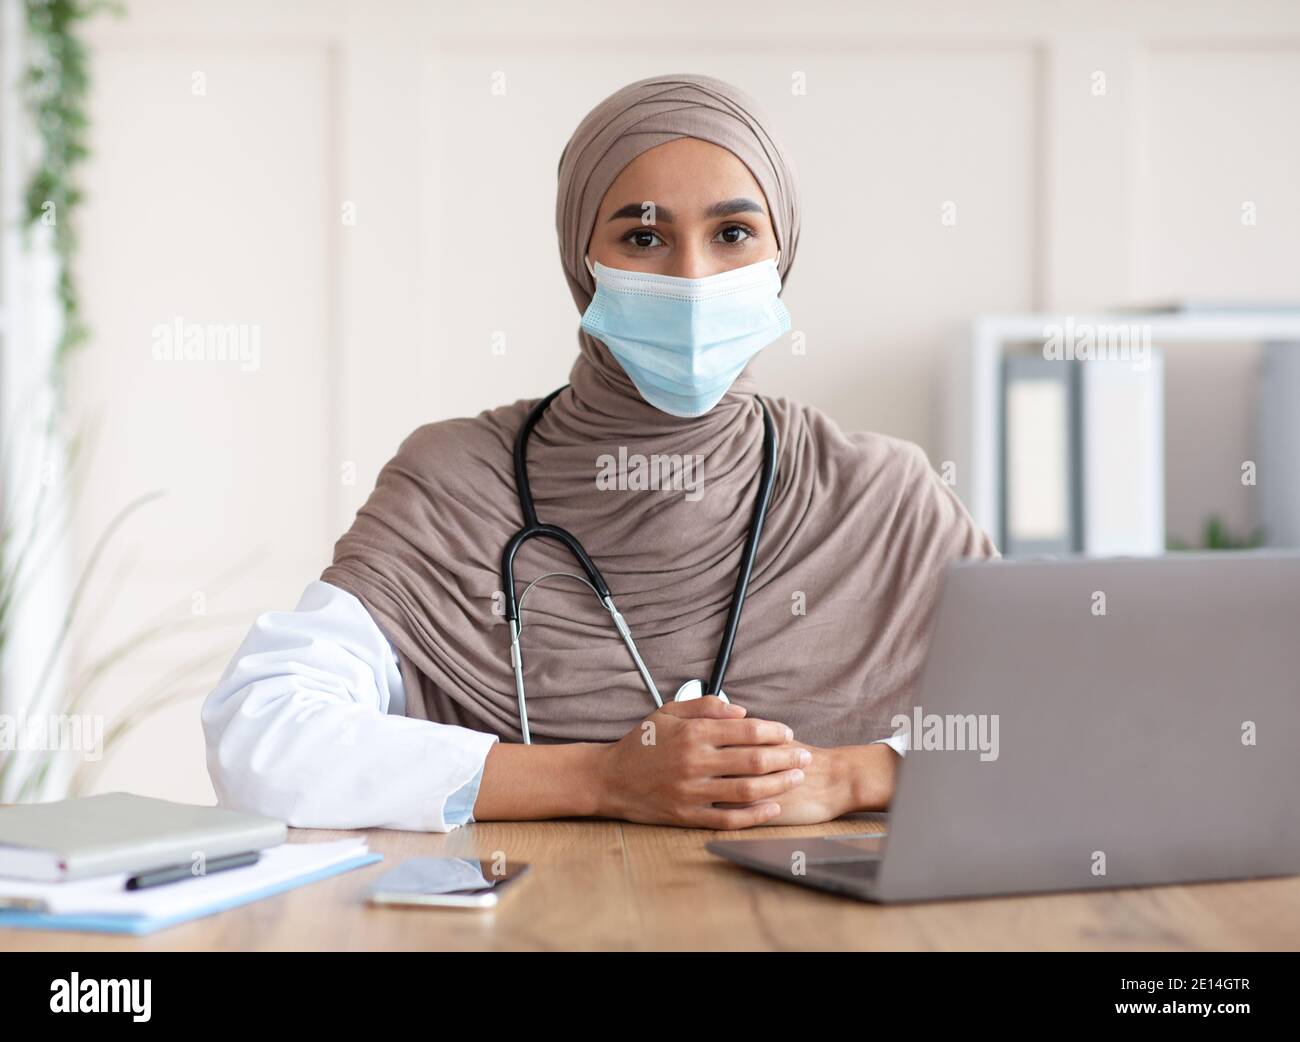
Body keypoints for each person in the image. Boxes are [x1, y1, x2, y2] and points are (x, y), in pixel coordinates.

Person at [202, 73, 997, 834]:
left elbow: (1066, 720)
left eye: (732, 234)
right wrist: (601, 779)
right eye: (644, 236)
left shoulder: (883, 496)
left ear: (781, 253)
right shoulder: (454, 481)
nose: (691, 276)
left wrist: (852, 777)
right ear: (582, 260)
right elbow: (260, 735)